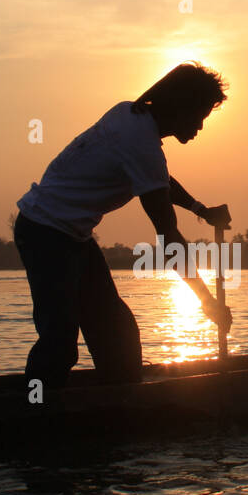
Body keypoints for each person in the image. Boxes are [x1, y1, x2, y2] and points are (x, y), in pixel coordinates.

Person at [14, 62, 233, 388]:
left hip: (73, 237)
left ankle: (122, 404)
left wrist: (200, 209)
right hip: (45, 233)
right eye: (199, 115)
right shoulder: (140, 142)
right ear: (180, 107)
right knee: (59, 341)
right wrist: (206, 300)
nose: (201, 126)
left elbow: (157, 180)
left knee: (118, 334)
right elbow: (169, 237)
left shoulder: (131, 118)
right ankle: (33, 416)